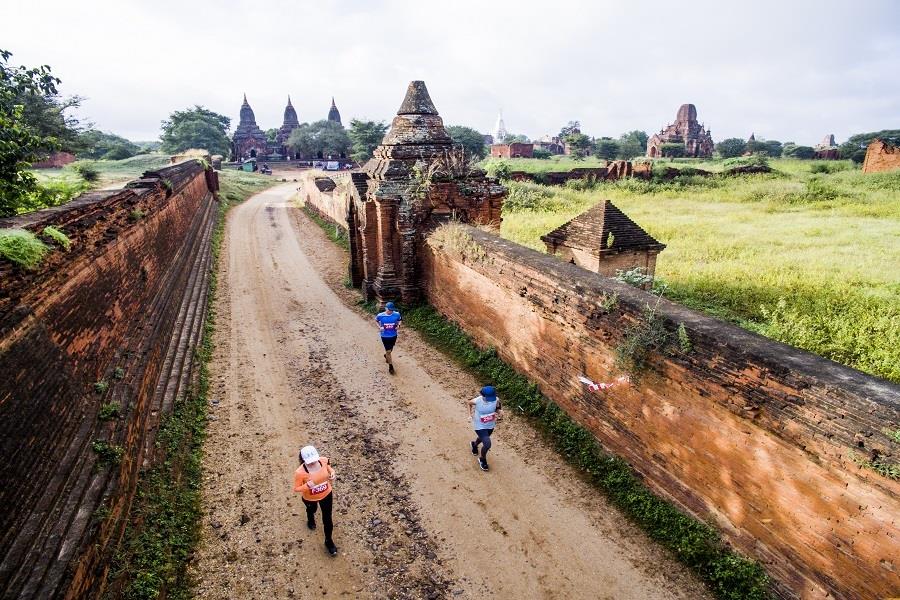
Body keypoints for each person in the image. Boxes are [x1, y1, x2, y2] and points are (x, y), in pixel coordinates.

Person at [293, 445, 338, 556]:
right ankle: (310, 517)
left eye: (314, 460)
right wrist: (307, 486)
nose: (313, 463)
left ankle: (329, 541)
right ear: (303, 460)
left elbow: (329, 468)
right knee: (312, 509)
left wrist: (333, 474)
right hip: (310, 498)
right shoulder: (300, 473)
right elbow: (296, 488)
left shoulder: (324, 460)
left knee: (327, 518)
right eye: (309, 462)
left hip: (326, 494)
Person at [469, 385, 501, 471]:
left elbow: (497, 408)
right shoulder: (477, 400)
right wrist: (470, 414)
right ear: (483, 395)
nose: (492, 399)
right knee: (487, 443)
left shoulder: (496, 399)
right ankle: (482, 459)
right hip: (479, 425)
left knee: (484, 437)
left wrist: (500, 412)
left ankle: (474, 445)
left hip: (490, 424)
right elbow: (469, 403)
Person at [375, 301, 402, 375]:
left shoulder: (397, 314)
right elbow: (376, 321)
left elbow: (400, 320)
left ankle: (386, 355)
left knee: (391, 348)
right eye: (389, 310)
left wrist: (398, 326)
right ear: (386, 308)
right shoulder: (380, 315)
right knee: (389, 351)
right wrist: (379, 327)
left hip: (393, 335)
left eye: (392, 310)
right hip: (385, 336)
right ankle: (391, 366)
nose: (390, 311)